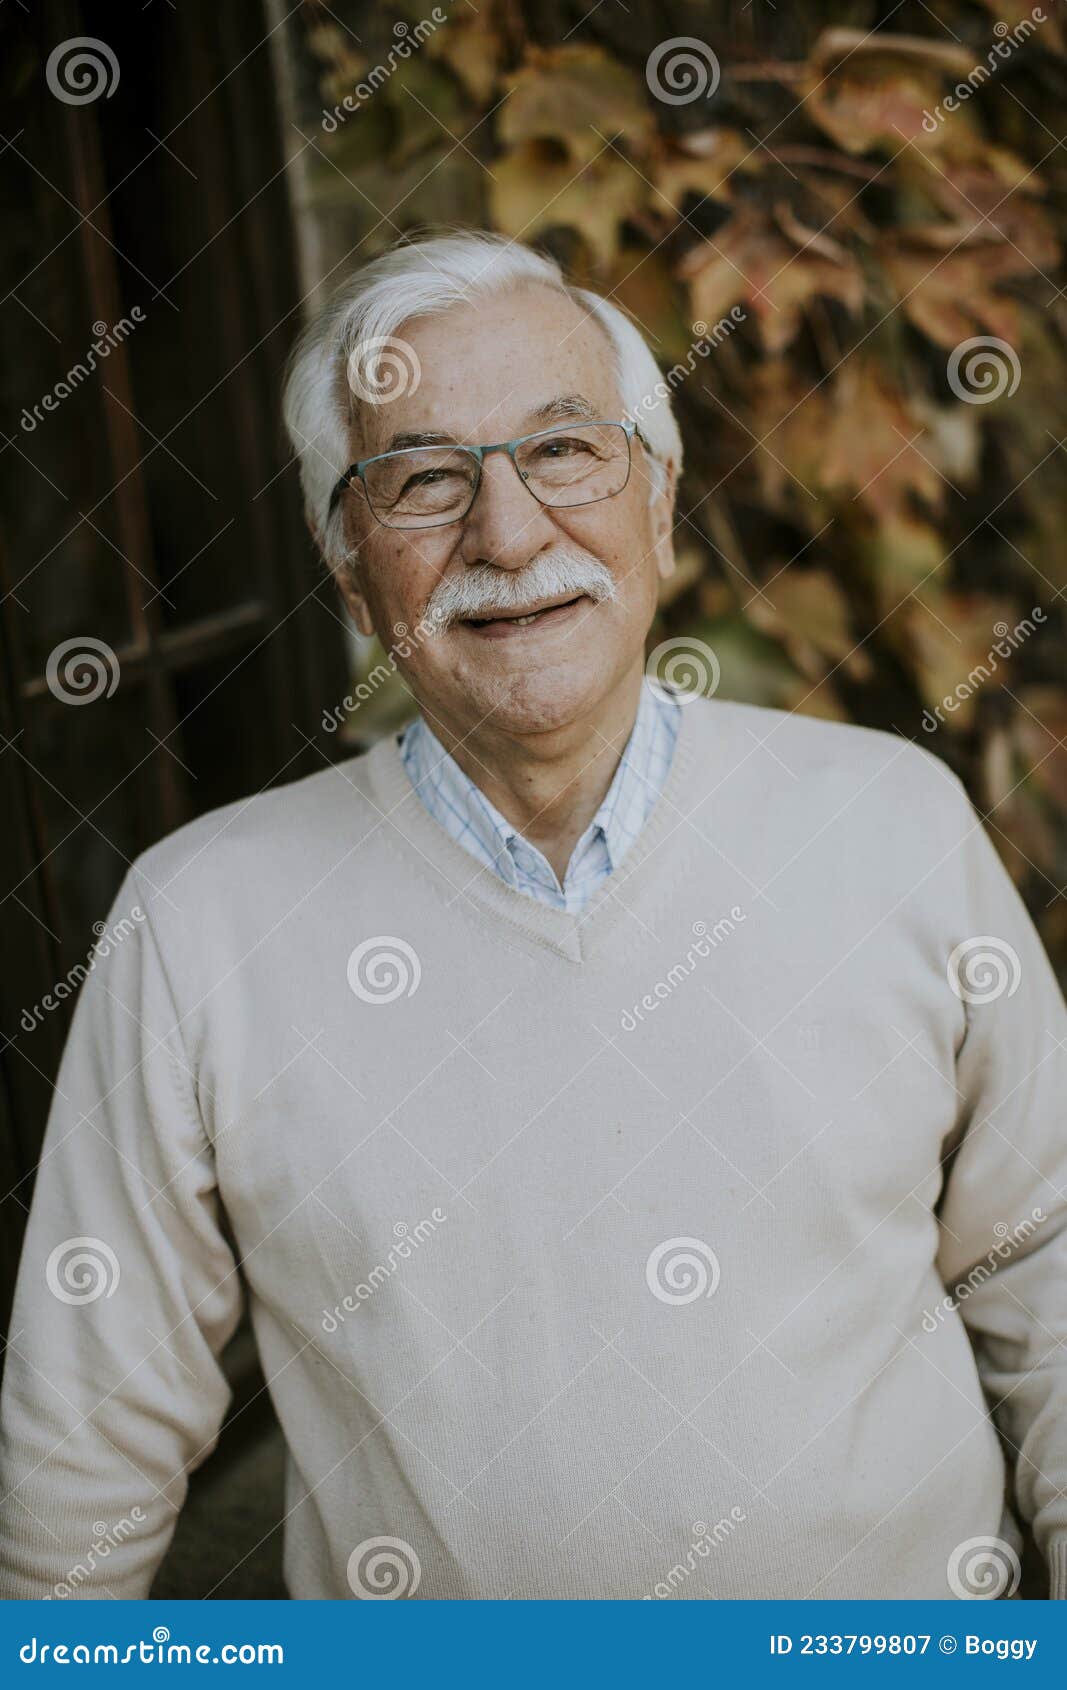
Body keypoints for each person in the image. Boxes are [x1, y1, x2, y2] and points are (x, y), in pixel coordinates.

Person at [1, 232, 1065, 1601]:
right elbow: (90, 1427)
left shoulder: (891, 825)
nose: (508, 534)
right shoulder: (202, 922)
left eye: (564, 452)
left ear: (661, 505)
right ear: (347, 562)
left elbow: (1046, 1275)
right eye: (426, 479)